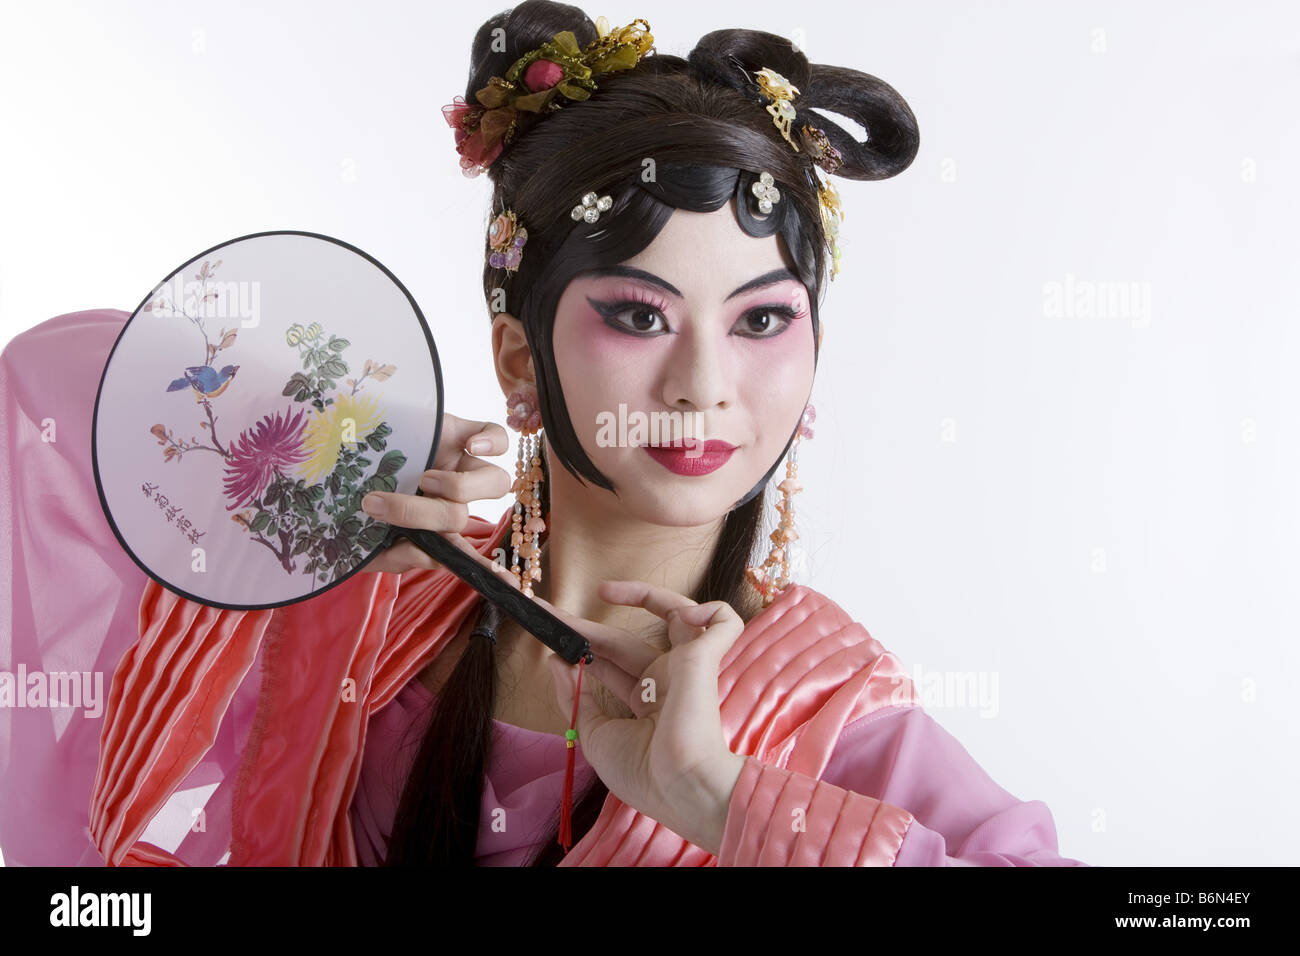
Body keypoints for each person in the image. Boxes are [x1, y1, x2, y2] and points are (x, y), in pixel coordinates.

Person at [0, 2, 1087, 867]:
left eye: (761, 319)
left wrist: (720, 798)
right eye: (636, 314)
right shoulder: (384, 623)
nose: (703, 383)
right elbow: (50, 396)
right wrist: (347, 472)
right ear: (519, 359)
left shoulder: (829, 712)